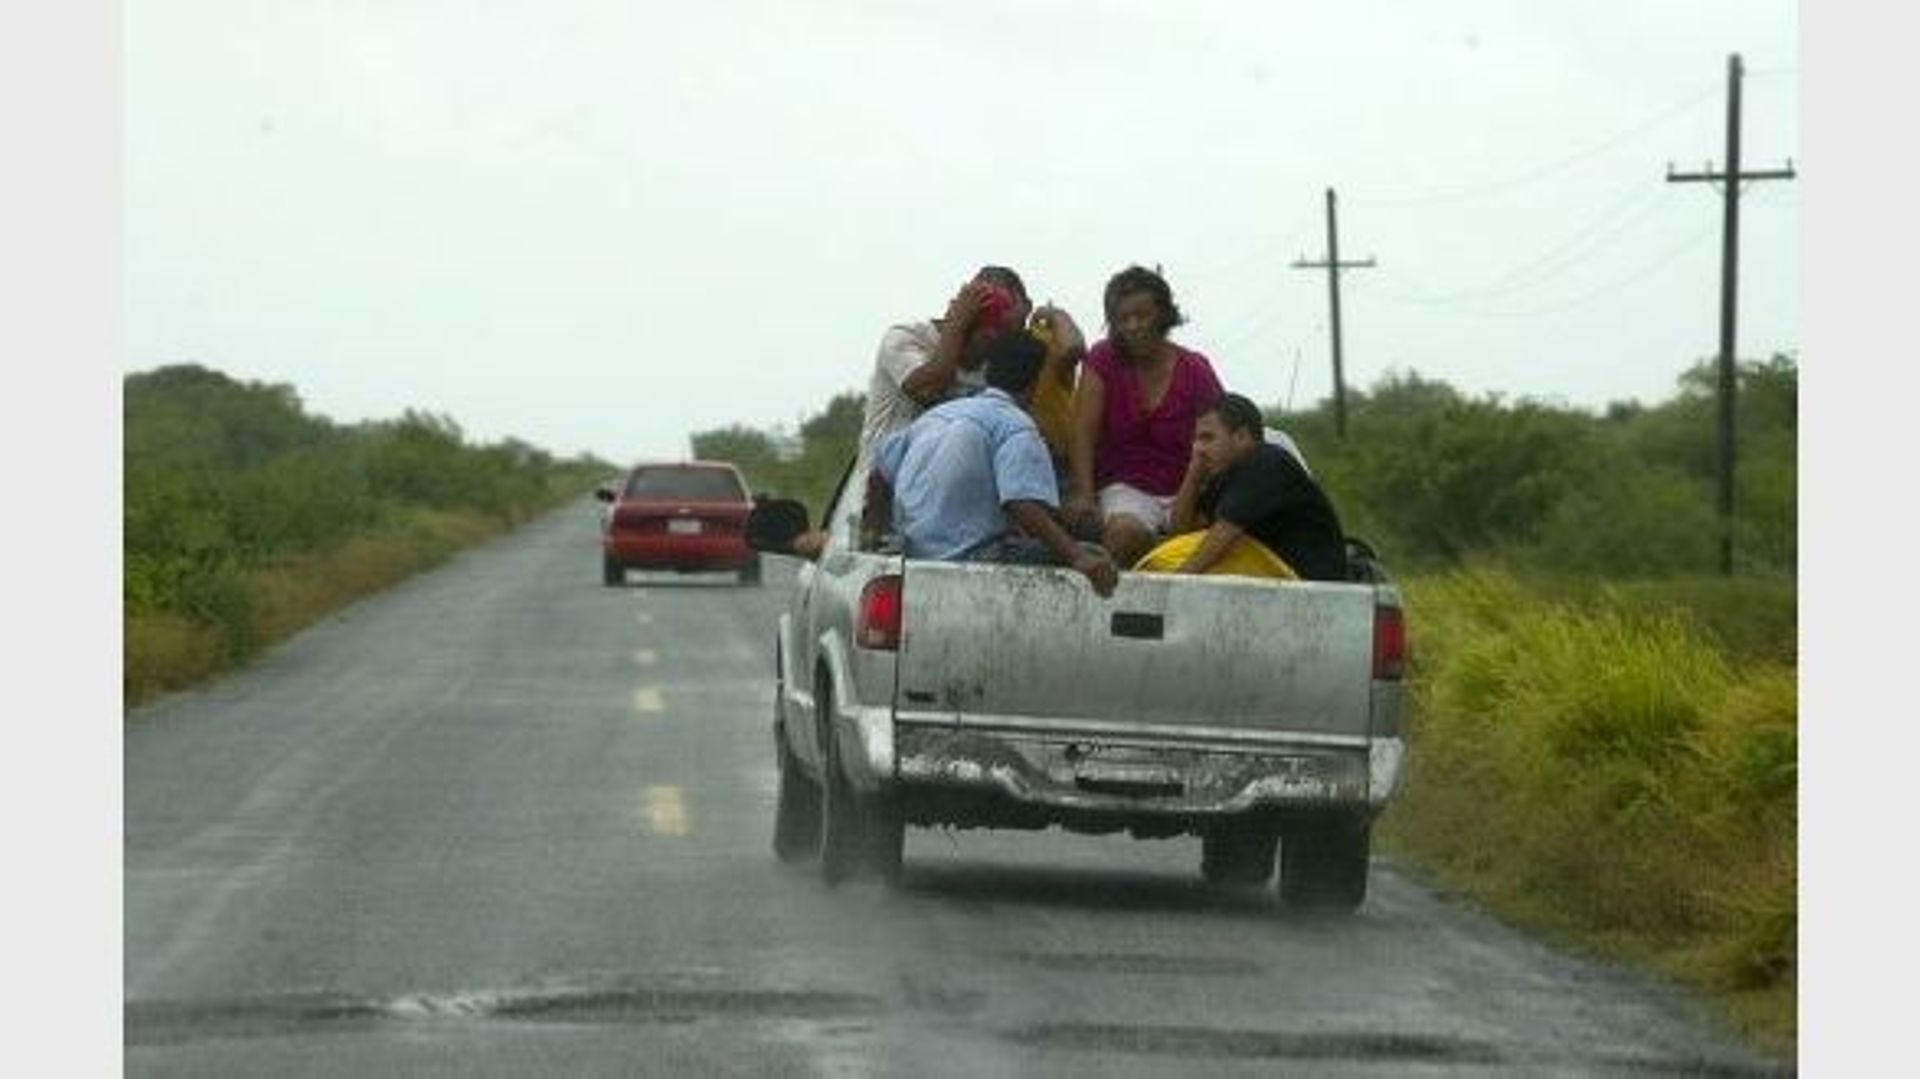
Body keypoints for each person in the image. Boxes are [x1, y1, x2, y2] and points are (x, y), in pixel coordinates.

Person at [788, 266, 1033, 561]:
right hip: (878, 505)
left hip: (952, 510)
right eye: (994, 338)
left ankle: (808, 541)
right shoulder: (906, 339)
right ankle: (804, 542)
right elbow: (929, 387)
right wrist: (955, 327)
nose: (999, 350)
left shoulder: (992, 368)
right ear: (977, 329)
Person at [865, 330, 1118, 597]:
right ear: (1036, 382)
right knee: (1092, 551)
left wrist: (876, 537)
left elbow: (879, 474)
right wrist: (1078, 556)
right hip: (978, 557)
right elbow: (1022, 505)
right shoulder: (1015, 426)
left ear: (988, 371)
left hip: (915, 553)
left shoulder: (938, 415)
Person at [1067, 265, 1224, 568]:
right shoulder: (1103, 360)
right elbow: (1082, 433)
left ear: (1163, 315)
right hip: (1126, 487)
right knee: (1124, 536)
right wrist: (1085, 495)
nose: (1134, 325)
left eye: (1142, 315)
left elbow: (1220, 435)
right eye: (1124, 318)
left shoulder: (1195, 369)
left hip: (1186, 485)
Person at [1151, 392, 1348, 581]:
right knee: (1166, 558)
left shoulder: (1268, 463)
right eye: (1196, 440)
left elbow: (1222, 535)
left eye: (1208, 438)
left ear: (1242, 437)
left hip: (1308, 583)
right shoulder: (1226, 475)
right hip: (1270, 579)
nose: (1198, 448)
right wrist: (1194, 471)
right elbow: (1180, 530)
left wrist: (1175, 582)